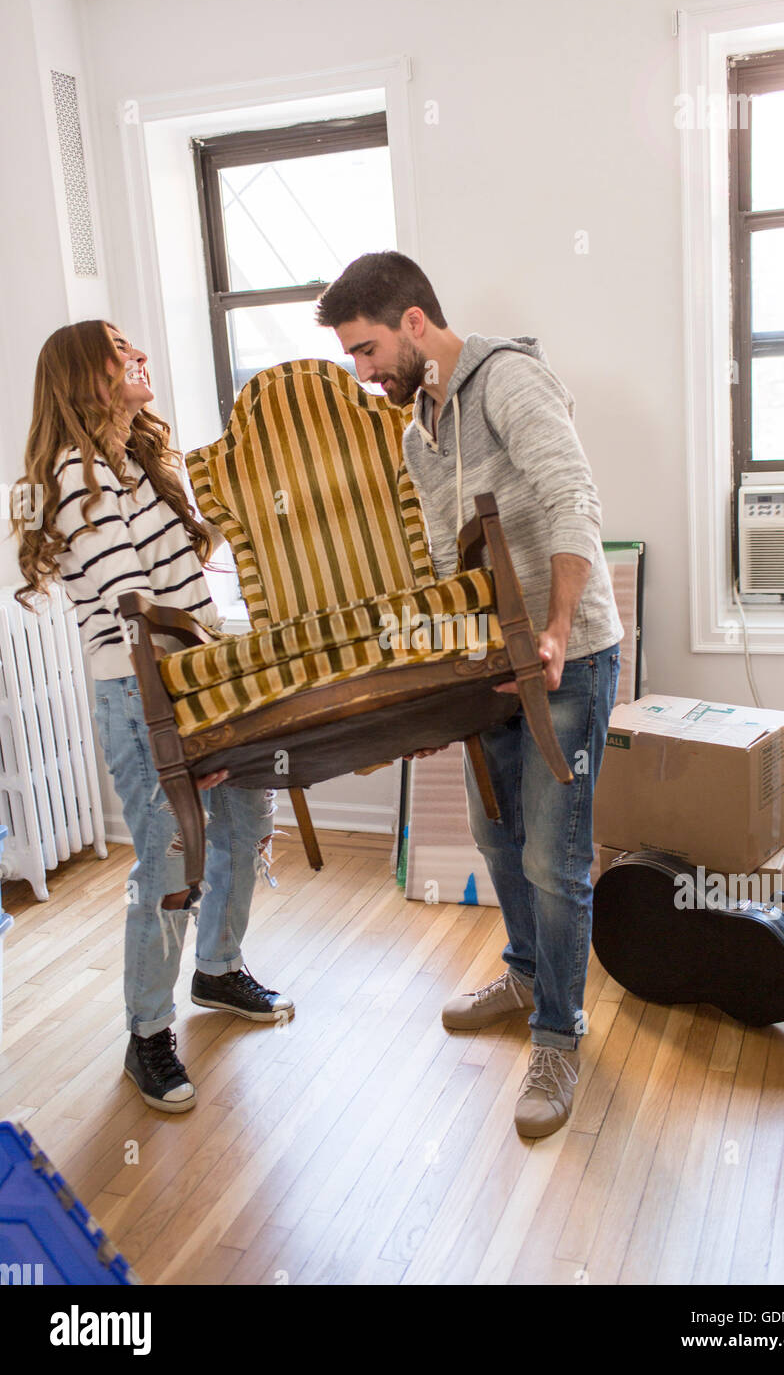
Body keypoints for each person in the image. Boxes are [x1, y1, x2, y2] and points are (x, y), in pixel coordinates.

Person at [316, 253, 623, 1138]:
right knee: (498, 835)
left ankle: (559, 1036)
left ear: (416, 323)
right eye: (351, 356)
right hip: (485, 663)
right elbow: (443, 570)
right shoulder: (417, 433)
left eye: (367, 349)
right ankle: (527, 971)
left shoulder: (509, 382)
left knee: (554, 859)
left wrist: (560, 626)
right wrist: (424, 690)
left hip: (569, 656)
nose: (362, 371)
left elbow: (574, 501)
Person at [11, 320, 292, 1113]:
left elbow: (187, 586)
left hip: (198, 679)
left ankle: (218, 967)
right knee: (170, 860)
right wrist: (195, 709)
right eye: (119, 351)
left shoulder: (136, 461)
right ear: (85, 377)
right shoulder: (76, 476)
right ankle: (147, 1035)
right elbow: (140, 608)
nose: (139, 357)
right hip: (146, 695)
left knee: (243, 822)